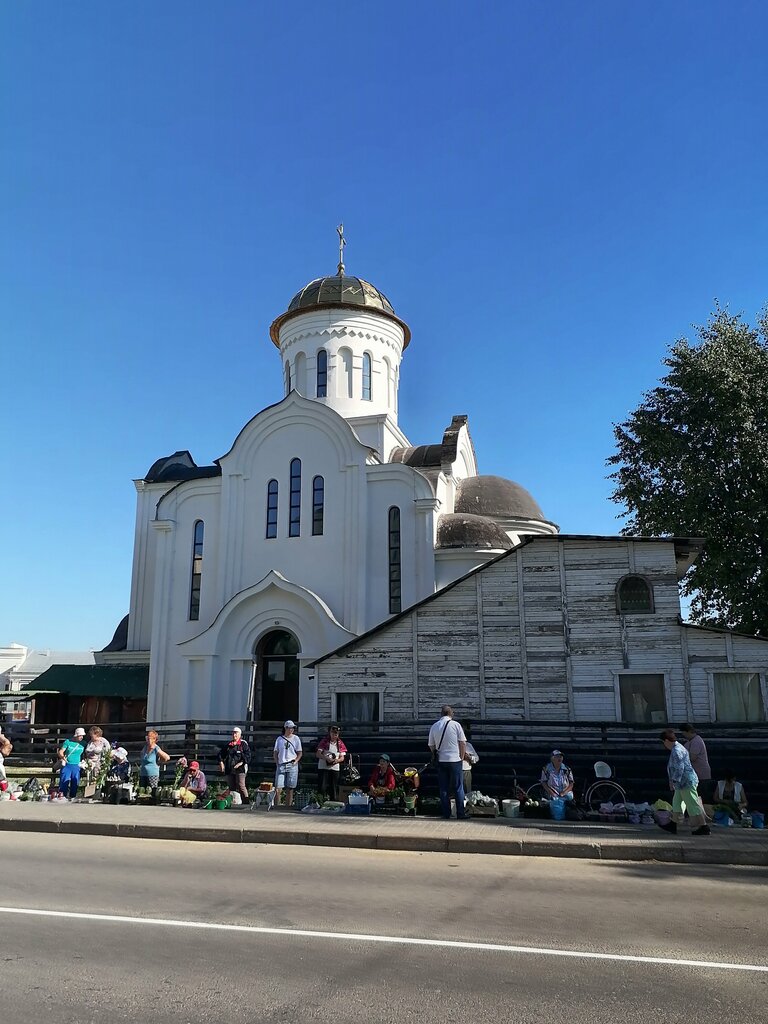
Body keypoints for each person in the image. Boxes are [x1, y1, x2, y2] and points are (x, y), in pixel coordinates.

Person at [660, 728, 710, 835]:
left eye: (663, 742)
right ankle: (673, 824)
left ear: (667, 741)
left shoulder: (677, 751)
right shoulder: (678, 748)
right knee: (677, 803)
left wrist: (674, 781)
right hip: (682, 783)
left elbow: (679, 768)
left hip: (686, 782)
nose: (664, 745)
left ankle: (703, 826)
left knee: (692, 804)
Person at [428, 705, 467, 820]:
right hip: (455, 759)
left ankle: (446, 813)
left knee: (443, 788)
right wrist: (461, 756)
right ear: (451, 714)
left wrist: (436, 753)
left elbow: (431, 745)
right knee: (458, 787)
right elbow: (463, 742)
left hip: (441, 760)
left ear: (441, 714)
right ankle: (460, 813)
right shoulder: (456, 725)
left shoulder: (434, 726)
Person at [218, 726, 251, 805]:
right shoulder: (229, 745)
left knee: (241, 786)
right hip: (230, 768)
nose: (234, 735)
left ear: (240, 735)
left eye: (236, 733)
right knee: (231, 787)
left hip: (240, 769)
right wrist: (221, 763)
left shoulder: (243, 744)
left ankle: (246, 803)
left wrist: (241, 763)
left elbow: (248, 755)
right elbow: (220, 754)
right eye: (233, 733)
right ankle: (232, 803)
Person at [273, 720, 302, 808]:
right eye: (290, 728)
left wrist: (296, 761)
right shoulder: (279, 739)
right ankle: (277, 805)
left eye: (293, 728)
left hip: (292, 763)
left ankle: (288, 806)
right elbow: (275, 752)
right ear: (285, 728)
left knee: (290, 787)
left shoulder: (296, 738)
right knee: (278, 787)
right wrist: (277, 762)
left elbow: (299, 752)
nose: (292, 730)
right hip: (281, 763)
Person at [316, 724, 347, 802]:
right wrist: (326, 758)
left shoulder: (340, 743)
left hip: (334, 767)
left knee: (333, 787)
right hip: (323, 766)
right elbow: (318, 754)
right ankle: (320, 802)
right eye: (333, 733)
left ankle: (333, 802)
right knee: (322, 786)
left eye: (336, 734)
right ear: (330, 733)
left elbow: (342, 757)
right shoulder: (324, 741)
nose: (334, 735)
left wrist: (336, 760)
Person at [682, 724, 712, 802]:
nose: (683, 735)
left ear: (688, 732)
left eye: (684, 733)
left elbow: (692, 758)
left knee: (702, 798)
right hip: (693, 776)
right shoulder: (689, 742)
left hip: (701, 775)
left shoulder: (696, 741)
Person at [140, 729, 171, 804]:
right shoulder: (145, 747)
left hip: (152, 773)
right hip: (143, 773)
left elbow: (167, 757)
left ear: (154, 739)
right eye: (147, 737)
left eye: (150, 738)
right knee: (142, 792)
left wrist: (158, 763)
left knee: (152, 793)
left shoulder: (156, 748)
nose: (148, 739)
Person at [57, 727, 87, 800]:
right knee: (64, 780)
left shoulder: (84, 743)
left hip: (77, 765)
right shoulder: (68, 742)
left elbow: (86, 753)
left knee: (75, 781)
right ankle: (62, 796)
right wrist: (63, 757)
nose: (81, 737)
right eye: (80, 735)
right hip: (67, 764)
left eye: (82, 735)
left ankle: (72, 796)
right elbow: (61, 751)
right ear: (76, 735)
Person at [461, 720, 479, 797]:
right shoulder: (451, 745)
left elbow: (476, 758)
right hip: (454, 770)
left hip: (466, 771)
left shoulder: (468, 745)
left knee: (467, 793)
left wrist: (469, 757)